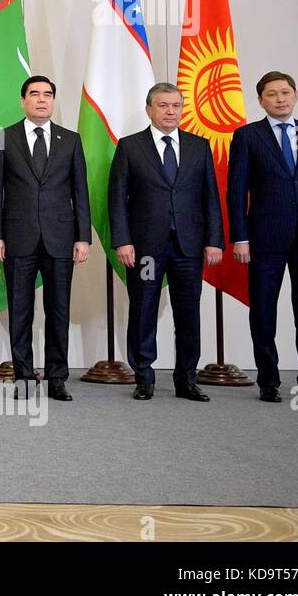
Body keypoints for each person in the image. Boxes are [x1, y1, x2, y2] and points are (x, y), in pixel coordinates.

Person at [227, 70, 298, 404]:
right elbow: (237, 192)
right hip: (264, 239)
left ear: (295, 95)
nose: (280, 99)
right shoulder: (248, 136)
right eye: (272, 94)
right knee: (263, 311)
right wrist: (240, 237)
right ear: (260, 100)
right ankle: (268, 380)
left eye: (285, 92)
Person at [108, 82, 223, 401]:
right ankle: (144, 377)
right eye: (163, 105)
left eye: (176, 105)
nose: (171, 111)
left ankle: (186, 379)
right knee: (143, 309)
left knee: (188, 313)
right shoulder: (130, 146)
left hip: (189, 248)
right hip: (144, 249)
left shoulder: (199, 146)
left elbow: (210, 198)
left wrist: (214, 240)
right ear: (149, 110)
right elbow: (117, 198)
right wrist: (122, 241)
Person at [0, 75, 91, 400]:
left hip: (61, 238)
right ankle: (24, 377)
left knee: (59, 310)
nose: (41, 99)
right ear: (23, 101)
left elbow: (80, 192)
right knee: (21, 311)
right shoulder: (2, 138)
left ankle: (57, 377)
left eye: (47, 94)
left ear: (54, 101)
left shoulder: (70, 140)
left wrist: (82, 237)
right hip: (17, 238)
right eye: (34, 94)